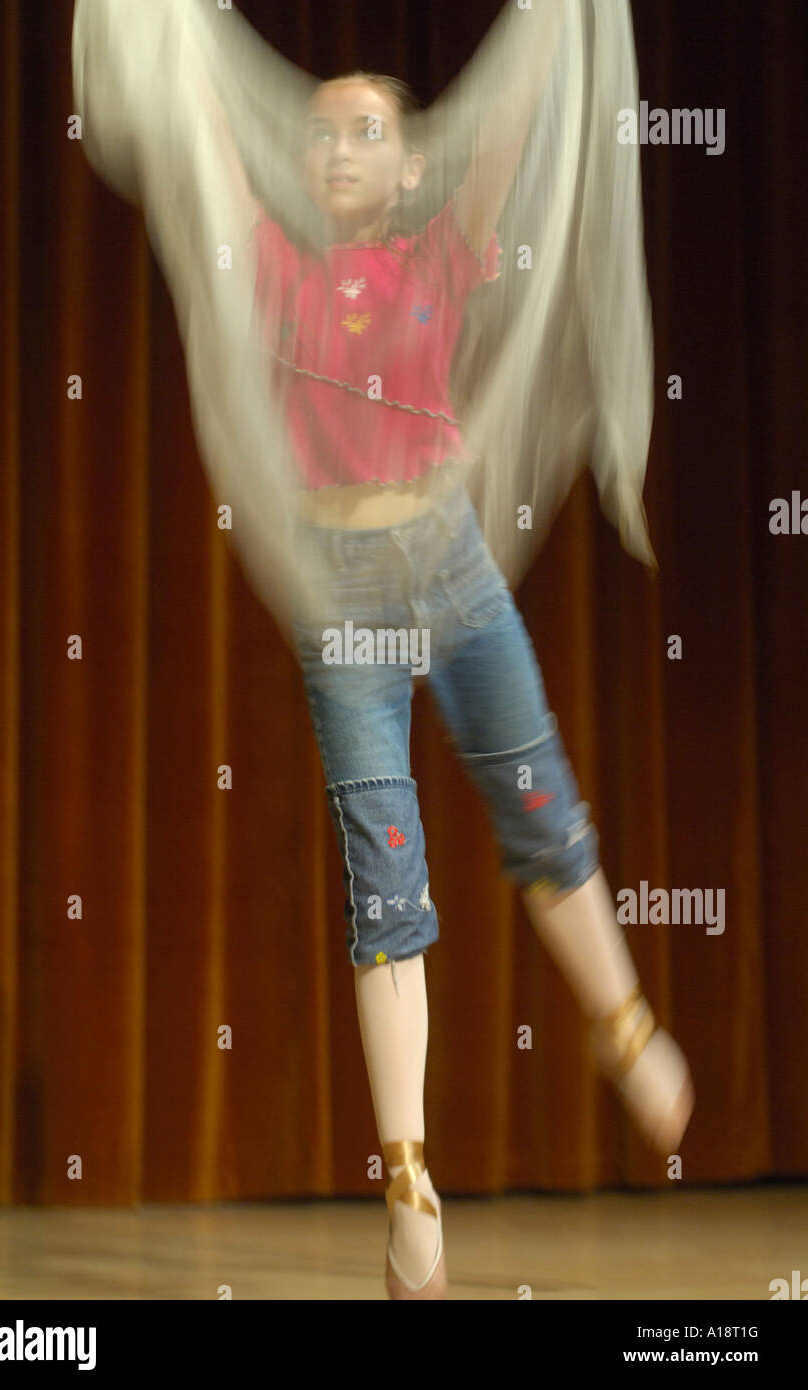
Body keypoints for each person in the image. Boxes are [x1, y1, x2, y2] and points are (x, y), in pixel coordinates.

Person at [236, 68, 695, 1299]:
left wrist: (554, 31)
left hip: (446, 565)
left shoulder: (439, 259)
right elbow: (201, 166)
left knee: (541, 808)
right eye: (321, 135)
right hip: (341, 597)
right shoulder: (281, 272)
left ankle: (623, 1025)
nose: (337, 152)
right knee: (384, 881)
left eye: (367, 134)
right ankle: (406, 1178)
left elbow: (509, 120)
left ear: (410, 168)